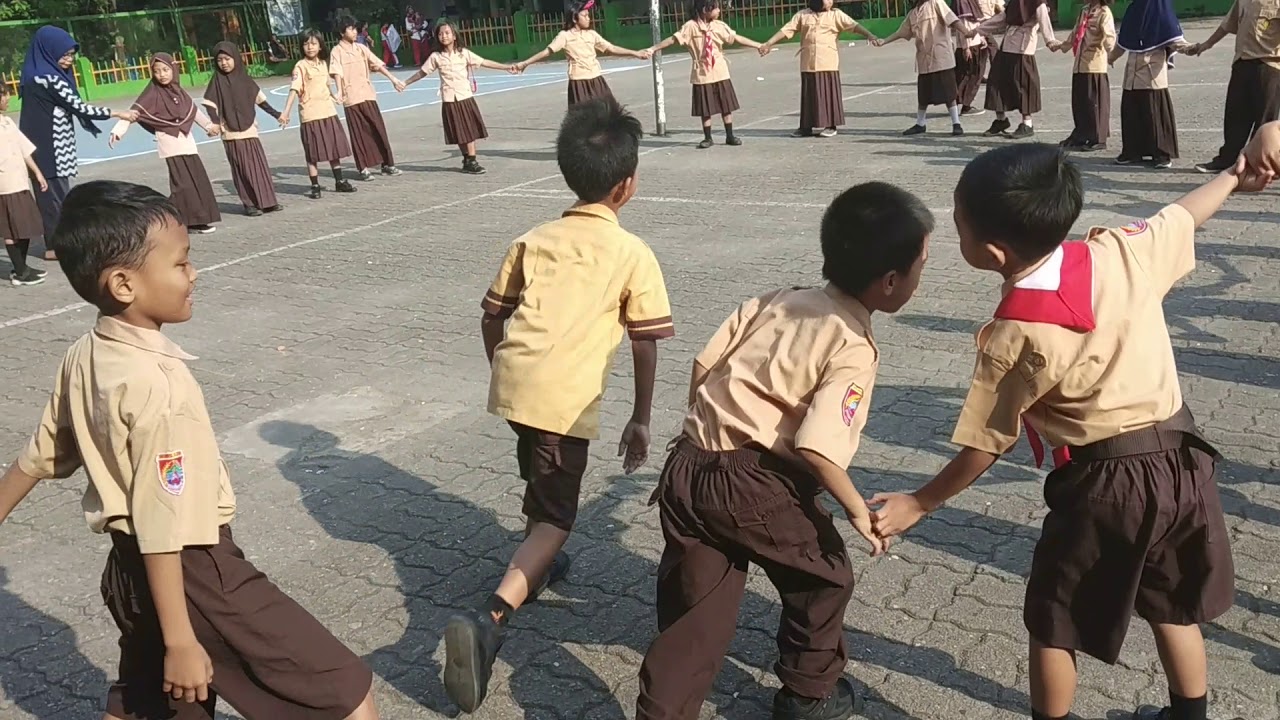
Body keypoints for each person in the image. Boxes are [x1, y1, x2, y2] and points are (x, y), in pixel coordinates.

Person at [867, 140, 1277, 720]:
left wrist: (921, 501)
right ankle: (1190, 714)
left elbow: (988, 440)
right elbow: (1182, 214)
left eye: (957, 225)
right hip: (1184, 462)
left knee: (1054, 619)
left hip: (1105, 485)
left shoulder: (1014, 333)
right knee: (1171, 603)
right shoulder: (1116, 253)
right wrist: (1235, 177)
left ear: (989, 251)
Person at [0, 179, 383, 720]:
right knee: (345, 693)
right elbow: (163, 519)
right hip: (195, 573)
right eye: (181, 264)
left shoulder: (84, 353)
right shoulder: (161, 385)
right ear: (124, 284)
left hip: (131, 572)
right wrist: (181, 640)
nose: (193, 274)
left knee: (142, 704)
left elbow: (41, 455)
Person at [634, 182, 931, 720]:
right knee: (824, 574)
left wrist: (709, 430)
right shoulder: (852, 345)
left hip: (689, 461)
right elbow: (818, 448)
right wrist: (857, 509)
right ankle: (807, 694)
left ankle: (662, 710)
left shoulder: (778, 299)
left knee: (696, 613)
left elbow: (704, 367)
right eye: (921, 267)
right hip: (754, 482)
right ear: (890, 282)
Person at [442, 98, 674, 714]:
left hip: (517, 383)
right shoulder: (633, 254)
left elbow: (492, 313)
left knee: (538, 468)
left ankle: (538, 560)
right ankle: (491, 618)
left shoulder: (532, 237)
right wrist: (641, 417)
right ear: (628, 185)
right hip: (562, 402)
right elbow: (646, 343)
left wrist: (502, 366)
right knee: (557, 516)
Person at [19, 25, 134, 262]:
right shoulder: (48, 79)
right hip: (49, 148)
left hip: (47, 146)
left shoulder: (36, 75)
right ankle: (56, 247)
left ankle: (56, 244)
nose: (69, 60)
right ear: (49, 52)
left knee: (53, 197)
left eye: (71, 55)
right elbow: (79, 107)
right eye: (64, 54)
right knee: (55, 199)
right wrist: (117, 113)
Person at [109, 53, 221, 235]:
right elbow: (134, 112)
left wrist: (209, 125)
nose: (162, 74)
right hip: (169, 143)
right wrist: (118, 130)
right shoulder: (152, 93)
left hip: (187, 142)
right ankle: (178, 219)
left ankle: (197, 219)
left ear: (174, 69)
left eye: (165, 70)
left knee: (196, 180)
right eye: (157, 71)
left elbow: (193, 111)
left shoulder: (179, 91)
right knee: (182, 184)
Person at [647, 0, 765, 148]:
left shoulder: (719, 26)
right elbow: (672, 40)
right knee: (705, 108)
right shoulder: (690, 27)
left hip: (720, 71)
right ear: (704, 9)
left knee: (726, 105)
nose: (718, 11)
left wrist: (758, 45)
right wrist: (653, 48)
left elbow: (736, 38)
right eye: (715, 8)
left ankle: (730, 135)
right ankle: (707, 137)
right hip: (702, 72)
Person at [404, 20, 512, 174]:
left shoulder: (464, 53)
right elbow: (422, 72)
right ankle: (467, 159)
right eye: (440, 34)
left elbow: (484, 62)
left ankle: (473, 160)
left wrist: (507, 67)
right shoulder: (436, 57)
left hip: (465, 97)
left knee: (469, 130)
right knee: (458, 132)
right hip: (449, 99)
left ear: (454, 36)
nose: (444, 36)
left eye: (447, 33)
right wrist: (405, 83)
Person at [1183, 0, 1280, 173]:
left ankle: (1257, 165)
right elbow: (1226, 25)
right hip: (1242, 63)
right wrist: (1206, 45)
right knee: (1235, 116)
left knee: (1264, 121)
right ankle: (1227, 160)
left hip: (1269, 66)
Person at [760, 0, 879, 138]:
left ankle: (830, 125)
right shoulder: (803, 15)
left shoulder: (836, 15)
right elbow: (787, 30)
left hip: (827, 61)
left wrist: (870, 35)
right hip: (808, 62)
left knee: (828, 94)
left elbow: (854, 26)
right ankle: (806, 127)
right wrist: (769, 43)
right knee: (809, 96)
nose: (830, 2)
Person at [514, 0, 653, 107]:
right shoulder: (565, 36)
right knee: (583, 119)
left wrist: (636, 53)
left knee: (608, 112)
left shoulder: (592, 34)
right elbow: (546, 52)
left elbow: (611, 48)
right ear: (575, 18)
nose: (588, 18)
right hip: (578, 82)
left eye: (588, 15)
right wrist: (525, 63)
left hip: (597, 79)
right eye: (585, 15)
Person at [202, 42, 284, 217]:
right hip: (230, 132)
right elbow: (210, 105)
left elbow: (260, 101)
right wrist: (216, 121)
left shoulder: (245, 79)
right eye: (219, 60)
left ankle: (268, 201)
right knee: (241, 169)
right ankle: (249, 204)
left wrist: (277, 114)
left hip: (249, 130)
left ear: (236, 59)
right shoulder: (216, 81)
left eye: (227, 59)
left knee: (258, 166)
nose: (223, 63)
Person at [1108, 0, 1189, 168]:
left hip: (1152, 71)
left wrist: (1189, 48)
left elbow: (1171, 35)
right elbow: (1124, 40)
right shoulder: (1134, 8)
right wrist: (1111, 57)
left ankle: (1161, 154)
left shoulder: (1161, 6)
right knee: (1132, 112)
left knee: (1153, 112)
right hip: (1133, 71)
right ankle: (1133, 151)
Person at [279, 29, 357, 199]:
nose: (309, 47)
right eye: (306, 44)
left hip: (328, 111)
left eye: (313, 43)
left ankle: (339, 181)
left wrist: (335, 95)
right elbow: (294, 89)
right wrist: (285, 112)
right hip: (310, 115)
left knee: (334, 149)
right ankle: (315, 185)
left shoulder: (323, 64)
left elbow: (326, 86)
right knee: (312, 152)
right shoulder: (300, 66)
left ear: (320, 46)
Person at [874, 0, 968, 136]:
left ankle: (956, 123)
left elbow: (952, 20)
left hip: (941, 56)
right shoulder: (913, 14)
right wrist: (884, 41)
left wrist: (967, 32)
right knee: (923, 95)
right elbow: (901, 32)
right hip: (924, 59)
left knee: (949, 93)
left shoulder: (936, 3)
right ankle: (920, 123)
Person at [971, 0, 1063, 138]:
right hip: (1006, 47)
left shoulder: (1038, 3)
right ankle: (1001, 120)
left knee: (1022, 86)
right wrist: (978, 30)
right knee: (996, 83)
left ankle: (1027, 124)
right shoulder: (1015, 2)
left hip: (1022, 50)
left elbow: (1044, 20)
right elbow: (1002, 18)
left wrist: (1050, 40)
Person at [332, 15, 406, 181]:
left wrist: (393, 79)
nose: (354, 31)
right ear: (341, 31)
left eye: (354, 28)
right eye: (350, 28)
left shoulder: (360, 48)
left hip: (367, 95)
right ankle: (363, 168)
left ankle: (387, 164)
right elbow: (337, 72)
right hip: (351, 99)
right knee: (358, 134)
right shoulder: (336, 51)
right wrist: (338, 91)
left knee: (378, 129)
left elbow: (377, 64)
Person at [0, 83, 50, 287]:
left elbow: (24, 149)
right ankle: (20, 271)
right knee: (11, 228)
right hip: (5, 184)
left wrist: (37, 173)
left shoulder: (8, 122)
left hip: (19, 181)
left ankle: (22, 267)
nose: (7, 98)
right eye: (3, 95)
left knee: (26, 225)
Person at [1056, 0, 1116, 151]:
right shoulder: (1084, 11)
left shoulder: (1104, 12)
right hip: (1080, 63)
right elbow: (1076, 32)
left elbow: (1109, 36)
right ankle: (1081, 134)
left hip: (1095, 64)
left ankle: (1098, 138)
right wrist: (1062, 46)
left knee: (1094, 103)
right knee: (1080, 103)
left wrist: (1112, 54)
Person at [952, 0, 989, 115]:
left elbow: (975, 23)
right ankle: (964, 105)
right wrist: (965, 47)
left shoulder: (969, 2)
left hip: (974, 43)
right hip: (970, 46)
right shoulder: (962, 3)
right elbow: (962, 26)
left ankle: (959, 103)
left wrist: (981, 36)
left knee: (970, 74)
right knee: (970, 75)